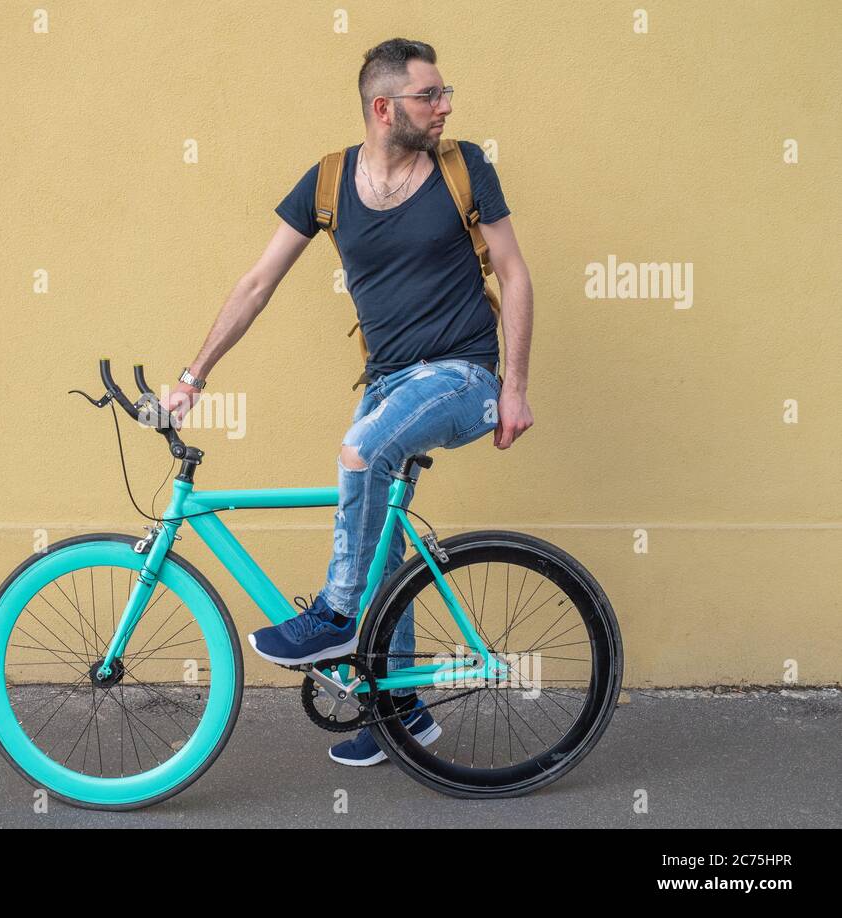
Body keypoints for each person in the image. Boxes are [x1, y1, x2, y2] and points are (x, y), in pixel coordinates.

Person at [159, 38, 533, 766]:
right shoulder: (328, 183)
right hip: (388, 383)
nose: (447, 106)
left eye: (446, 92)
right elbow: (256, 284)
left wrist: (514, 386)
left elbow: (515, 274)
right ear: (383, 107)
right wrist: (192, 378)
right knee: (381, 537)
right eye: (432, 95)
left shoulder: (464, 167)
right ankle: (400, 708)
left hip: (464, 377)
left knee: (362, 451)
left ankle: (333, 615)